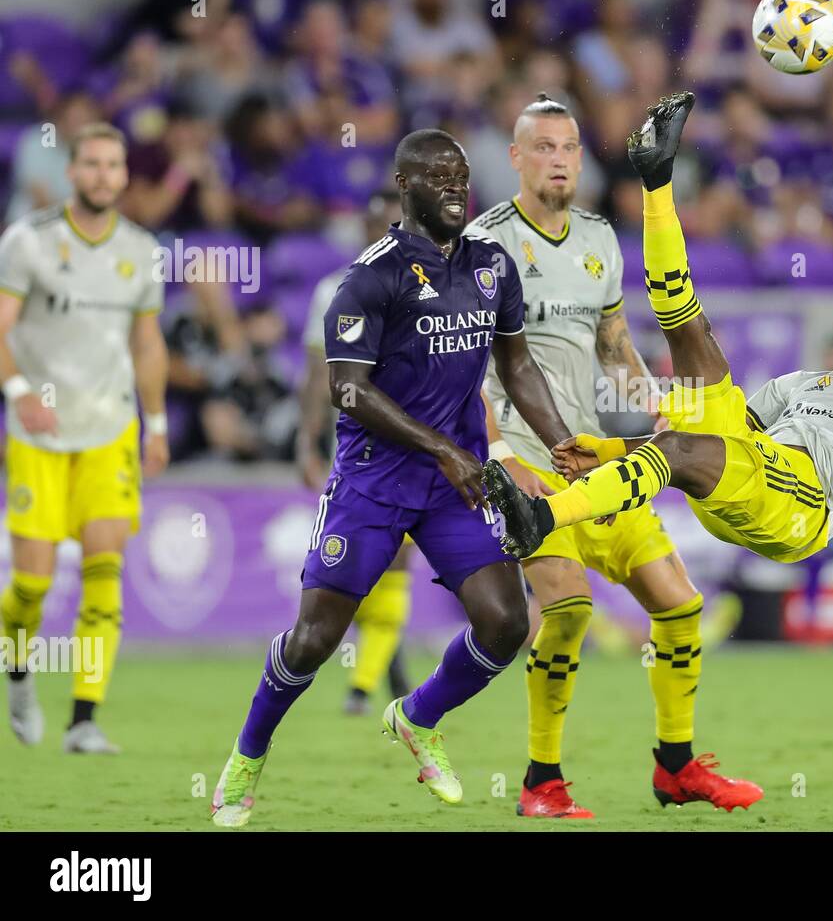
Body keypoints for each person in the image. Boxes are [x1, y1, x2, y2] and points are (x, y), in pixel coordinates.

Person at [484, 94, 833, 688]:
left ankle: (538, 518)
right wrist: (610, 452)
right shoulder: (804, 384)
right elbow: (724, 442)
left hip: (801, 510)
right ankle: (657, 179)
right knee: (686, 322)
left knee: (681, 448)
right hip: (757, 474)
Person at [210, 129, 574, 828]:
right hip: (374, 482)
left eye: (462, 180)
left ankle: (417, 716)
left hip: (453, 484)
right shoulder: (369, 278)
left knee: (506, 625)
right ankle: (247, 756)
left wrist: (561, 442)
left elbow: (518, 364)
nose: (455, 191)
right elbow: (348, 389)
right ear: (404, 187)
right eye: (439, 180)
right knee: (315, 640)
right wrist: (443, 447)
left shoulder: (492, 265)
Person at [468, 93, 758, 817]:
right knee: (568, 611)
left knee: (681, 607)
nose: (560, 160)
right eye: (543, 148)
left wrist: (657, 401)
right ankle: (541, 780)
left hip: (595, 463)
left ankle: (677, 767)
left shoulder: (599, 239)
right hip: (529, 467)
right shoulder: (484, 244)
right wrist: (501, 454)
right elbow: (461, 363)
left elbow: (614, 343)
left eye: (568, 148)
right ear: (514, 159)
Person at [0, 123, 170, 753]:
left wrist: (158, 421)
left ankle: (83, 719)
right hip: (38, 433)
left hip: (109, 432)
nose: (103, 175)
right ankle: (18, 672)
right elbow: (2, 327)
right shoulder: (28, 243)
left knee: (105, 569)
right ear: (71, 172)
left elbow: (147, 342)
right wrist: (19, 394)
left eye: (114, 165)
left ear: (126, 175)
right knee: (32, 588)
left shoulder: (142, 250)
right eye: (92, 164)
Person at [298, 190, 410, 715]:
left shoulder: (433, 289)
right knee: (355, 568)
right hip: (355, 450)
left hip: (413, 446)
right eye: (377, 220)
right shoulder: (334, 291)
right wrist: (306, 441)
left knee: (398, 562)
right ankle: (386, 673)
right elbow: (316, 375)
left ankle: (362, 690)